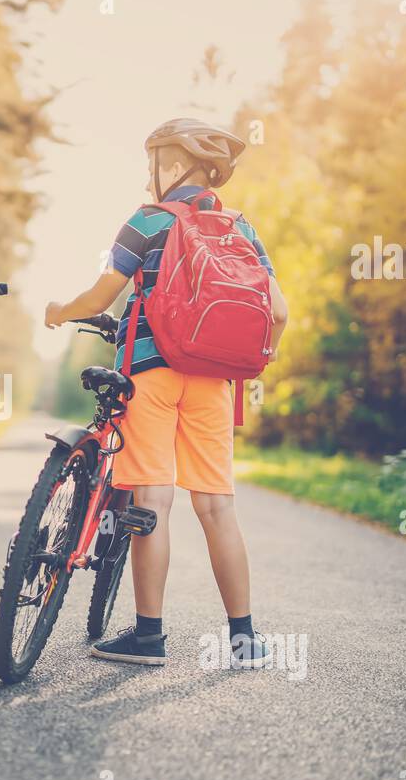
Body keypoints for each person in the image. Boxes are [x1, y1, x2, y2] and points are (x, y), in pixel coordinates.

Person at [44, 118, 289, 668]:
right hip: (217, 381)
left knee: (152, 501)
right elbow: (278, 311)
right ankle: (244, 639)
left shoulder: (147, 220)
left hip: (151, 373)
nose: (148, 174)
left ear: (173, 166)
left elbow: (102, 295)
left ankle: (149, 637)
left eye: (153, 163)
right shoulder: (242, 228)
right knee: (217, 507)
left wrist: (60, 311)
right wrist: (256, 363)